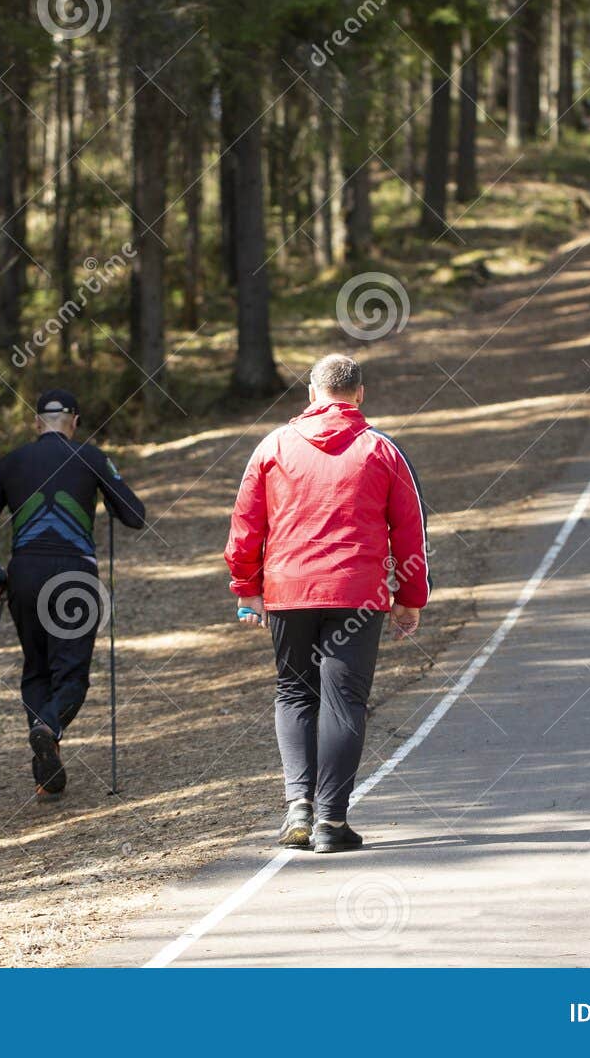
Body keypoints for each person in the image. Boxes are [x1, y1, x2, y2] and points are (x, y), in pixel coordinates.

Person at [224, 354, 429, 853]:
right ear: (359, 394)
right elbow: (409, 530)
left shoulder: (272, 446)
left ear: (312, 393)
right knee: (344, 702)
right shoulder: (381, 449)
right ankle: (331, 822)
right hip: (357, 594)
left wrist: (247, 587)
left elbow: (246, 527)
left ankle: (298, 808)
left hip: (289, 590)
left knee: (294, 693)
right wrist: (410, 597)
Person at [0, 389, 145, 801]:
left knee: (37, 668)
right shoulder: (91, 457)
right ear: (75, 421)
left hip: (24, 573)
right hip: (74, 576)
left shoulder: (11, 462)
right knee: (72, 672)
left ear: (35, 423)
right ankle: (49, 728)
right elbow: (134, 516)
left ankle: (47, 759)